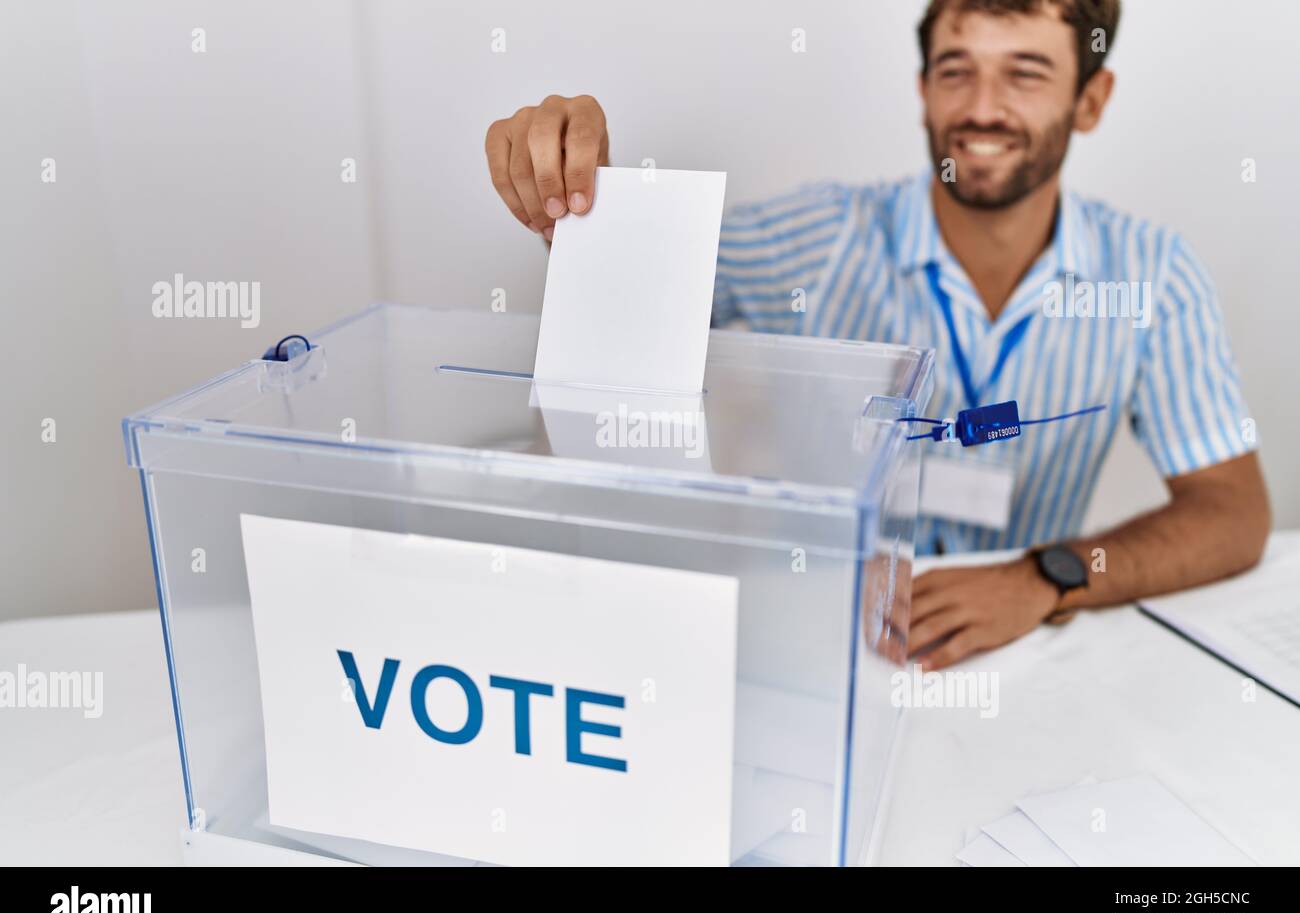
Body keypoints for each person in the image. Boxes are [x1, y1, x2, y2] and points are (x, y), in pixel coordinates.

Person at [482, 0, 1270, 668]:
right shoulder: (821, 238)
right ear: (924, 90)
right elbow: (642, 299)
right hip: (811, 647)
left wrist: (1046, 577)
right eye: (957, 70)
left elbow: (1232, 513)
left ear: (1091, 100)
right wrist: (586, 195)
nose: (983, 107)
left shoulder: (1154, 278)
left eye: (1026, 72)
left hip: (1024, 654)